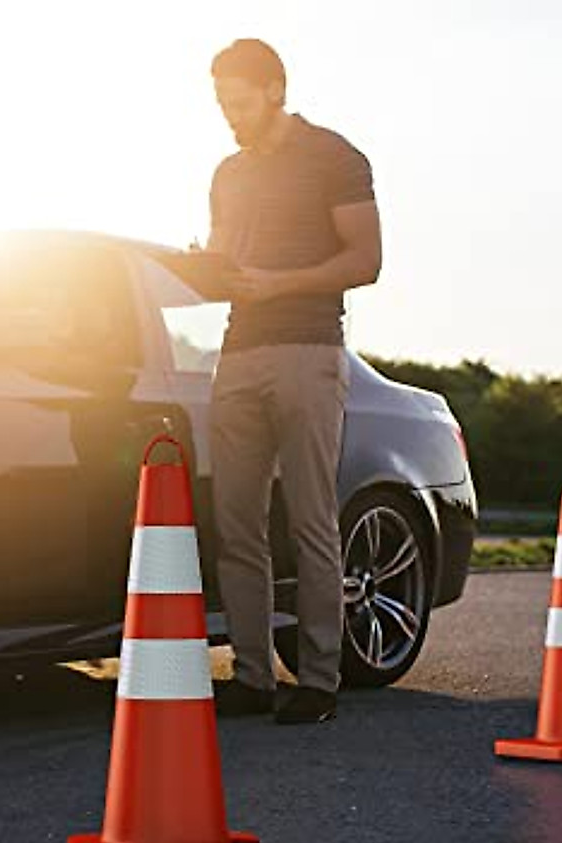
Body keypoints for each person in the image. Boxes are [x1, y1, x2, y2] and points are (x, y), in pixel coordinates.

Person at [205, 38, 382, 725]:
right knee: (236, 524)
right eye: (220, 102)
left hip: (308, 352)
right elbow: (225, 252)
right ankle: (251, 676)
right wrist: (205, 268)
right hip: (238, 353)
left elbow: (365, 260)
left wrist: (279, 283)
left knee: (310, 519)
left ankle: (318, 680)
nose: (228, 115)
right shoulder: (227, 172)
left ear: (274, 89)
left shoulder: (335, 157)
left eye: (237, 101)